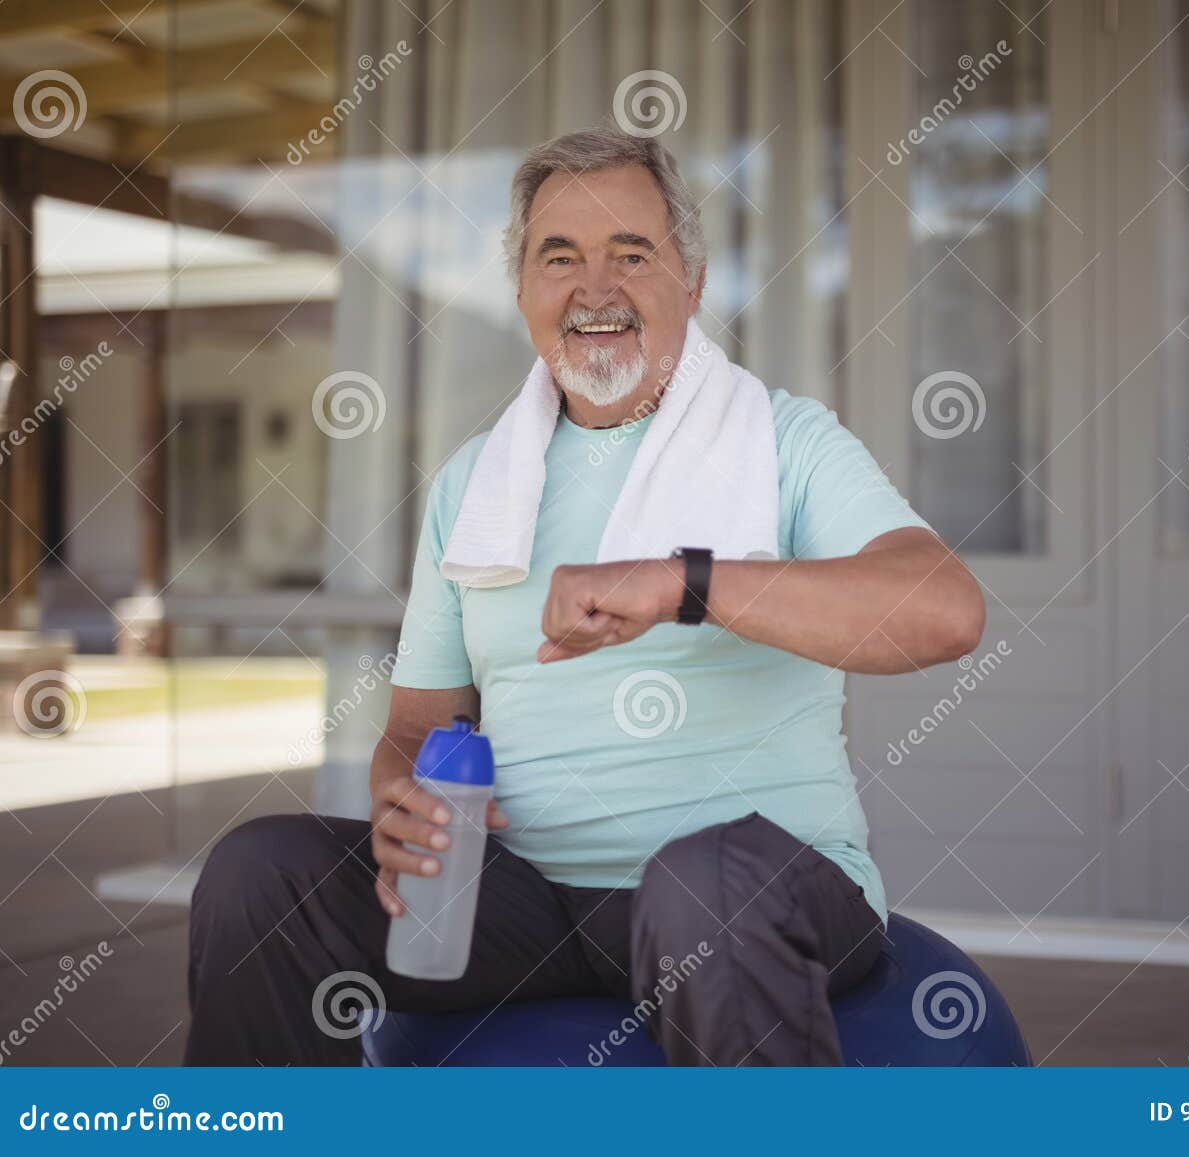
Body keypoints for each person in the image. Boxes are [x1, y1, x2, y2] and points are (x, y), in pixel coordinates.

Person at [184, 123, 985, 1066]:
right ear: (523, 290)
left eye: (631, 254)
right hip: (524, 904)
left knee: (703, 882)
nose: (594, 288)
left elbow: (945, 611)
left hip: (746, 897)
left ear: (690, 282)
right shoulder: (476, 483)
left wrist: (683, 581)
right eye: (558, 257)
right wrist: (401, 796)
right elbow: (414, 726)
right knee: (259, 871)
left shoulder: (789, 441)